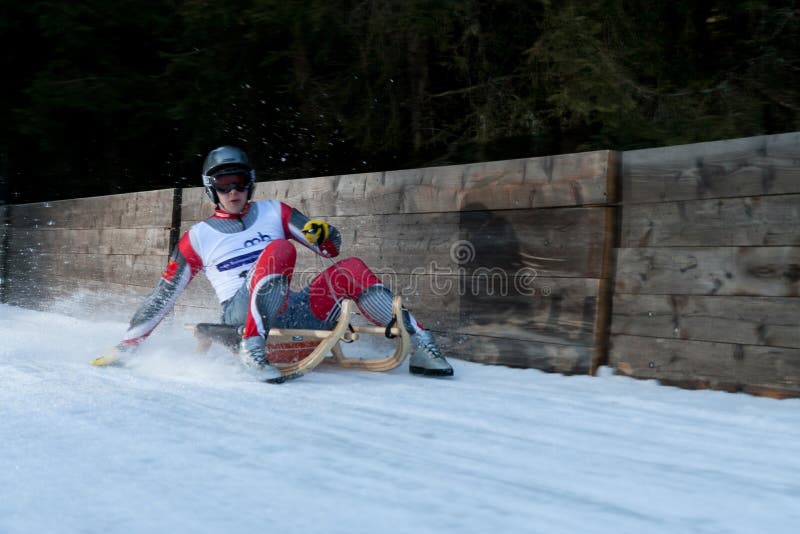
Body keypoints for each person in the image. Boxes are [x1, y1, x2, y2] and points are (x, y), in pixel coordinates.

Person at [105, 145, 453, 382]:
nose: (233, 191)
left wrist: (326, 234)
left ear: (250, 182)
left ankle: (421, 344)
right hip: (241, 314)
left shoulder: (275, 212)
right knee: (278, 250)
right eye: (223, 184)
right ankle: (253, 349)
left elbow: (329, 249)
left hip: (293, 307)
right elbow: (164, 295)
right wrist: (128, 344)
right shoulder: (198, 237)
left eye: (239, 181)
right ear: (211, 189)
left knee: (352, 267)